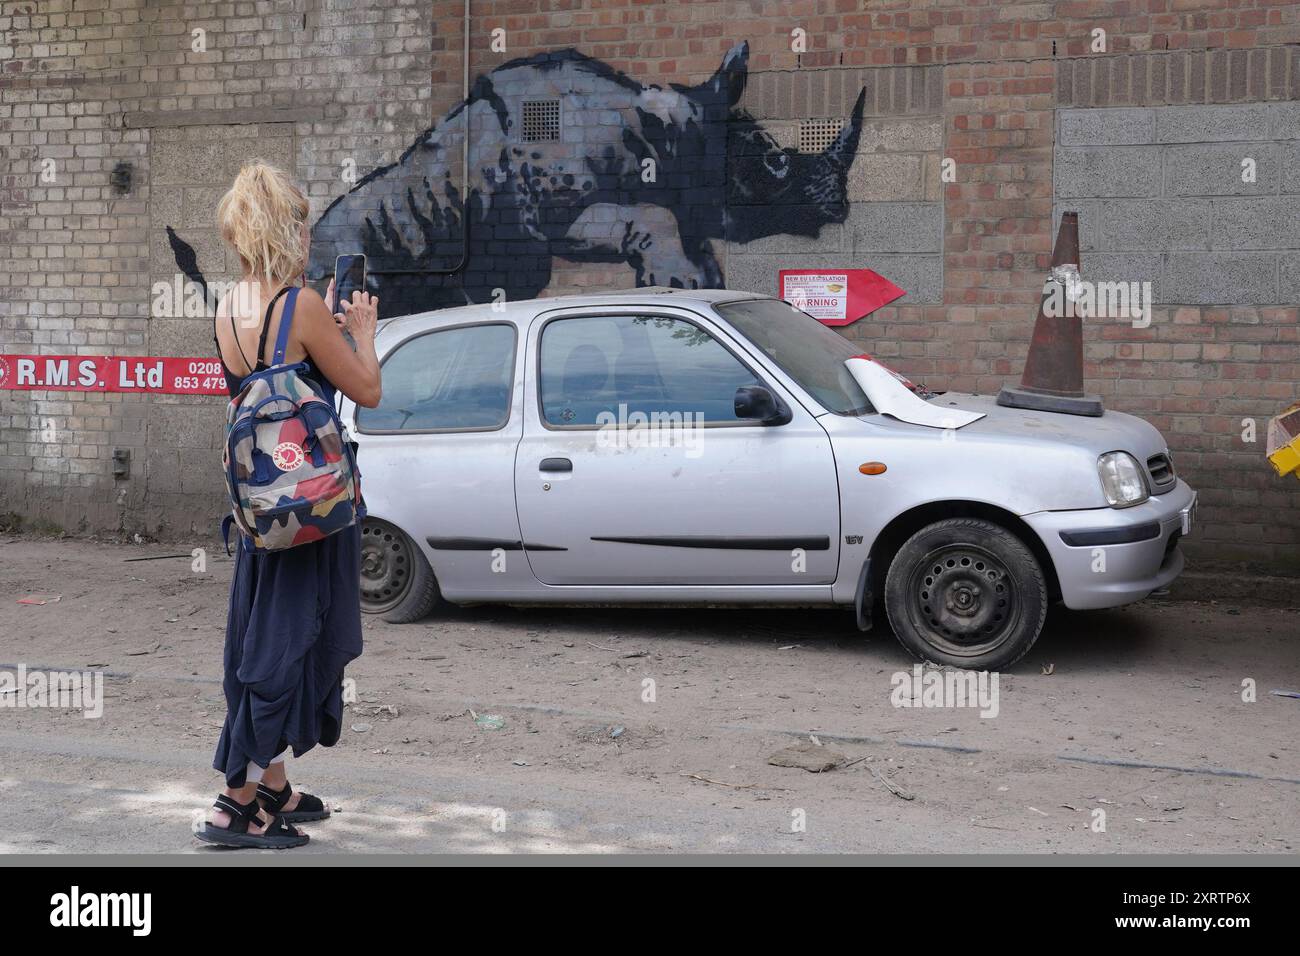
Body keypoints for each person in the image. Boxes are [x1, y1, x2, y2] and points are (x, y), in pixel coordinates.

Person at [197, 161, 381, 848]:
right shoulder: (300, 305)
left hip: (261, 517)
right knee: (283, 649)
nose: (307, 237)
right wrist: (360, 327)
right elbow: (366, 389)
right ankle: (236, 803)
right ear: (287, 230)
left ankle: (272, 786)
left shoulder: (227, 308)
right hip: (313, 511)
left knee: (262, 637)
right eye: (301, 224)